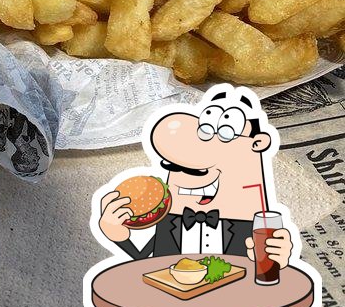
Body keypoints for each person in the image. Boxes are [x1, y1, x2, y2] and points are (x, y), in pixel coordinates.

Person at [97, 88, 292, 267]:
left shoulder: (254, 225)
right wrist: (118, 235)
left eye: (224, 132)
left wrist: (277, 260)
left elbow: (260, 269)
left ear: (258, 143)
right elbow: (149, 264)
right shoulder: (171, 219)